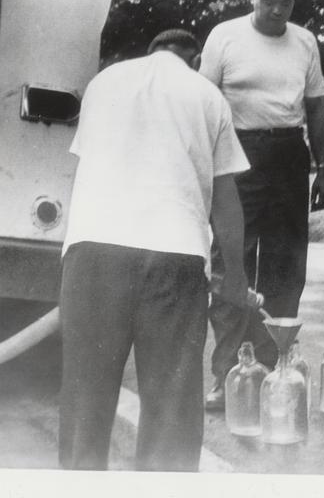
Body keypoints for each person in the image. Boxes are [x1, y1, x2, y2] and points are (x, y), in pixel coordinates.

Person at [58, 29, 249, 471]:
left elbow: (82, 171)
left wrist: (69, 256)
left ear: (150, 51)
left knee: (85, 400)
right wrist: (235, 276)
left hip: (93, 252)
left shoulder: (104, 83)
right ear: (195, 57)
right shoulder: (207, 95)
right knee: (172, 412)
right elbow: (225, 200)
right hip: (175, 255)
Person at [199, 0, 324, 410]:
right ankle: (228, 374)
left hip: (289, 157)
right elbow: (204, 102)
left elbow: (316, 108)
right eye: (269, 2)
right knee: (231, 264)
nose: (278, 12)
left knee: (285, 268)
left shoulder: (305, 42)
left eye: (287, 3)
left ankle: (276, 370)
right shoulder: (225, 36)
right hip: (236, 157)